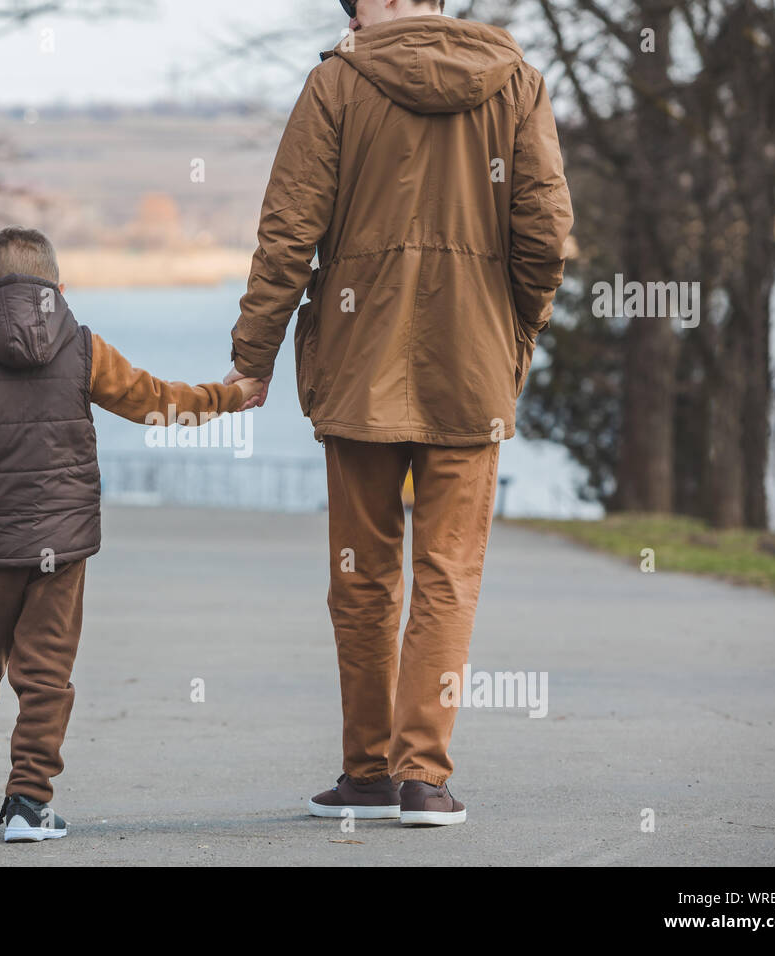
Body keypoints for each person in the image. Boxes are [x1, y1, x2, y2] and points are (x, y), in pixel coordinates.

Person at [226, 0, 573, 825]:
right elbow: (547, 235)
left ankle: (369, 774)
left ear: (367, 9)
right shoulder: (517, 83)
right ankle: (425, 778)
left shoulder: (335, 86)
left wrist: (253, 356)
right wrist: (512, 330)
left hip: (357, 364)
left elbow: (287, 233)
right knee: (448, 575)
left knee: (362, 578)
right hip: (471, 366)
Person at [0, 226, 261, 842]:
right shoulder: (84, 349)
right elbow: (155, 402)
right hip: (62, 547)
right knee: (45, 672)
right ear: (60, 288)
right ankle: (27, 805)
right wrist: (228, 397)